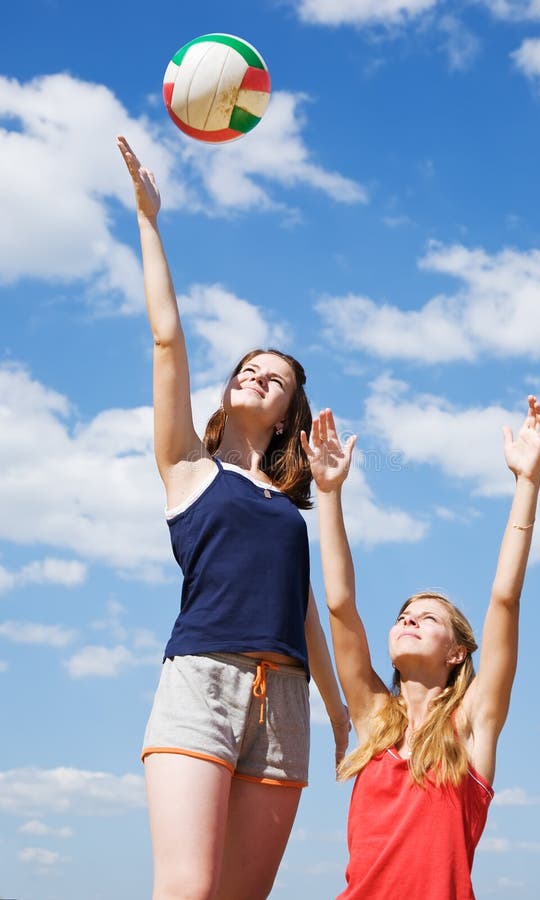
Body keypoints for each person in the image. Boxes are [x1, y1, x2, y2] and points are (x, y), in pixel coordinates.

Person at [116, 136, 349, 900]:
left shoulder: (289, 508)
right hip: (202, 686)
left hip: (283, 704)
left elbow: (305, 609)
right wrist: (149, 220)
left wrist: (338, 708)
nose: (256, 374)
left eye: (275, 378)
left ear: (288, 415)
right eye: (248, 368)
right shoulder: (188, 467)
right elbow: (166, 339)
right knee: (186, 891)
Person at [301, 398, 540, 899]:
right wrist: (328, 493)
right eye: (403, 616)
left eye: (427, 617)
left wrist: (527, 483)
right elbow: (341, 607)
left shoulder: (473, 723)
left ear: (457, 652)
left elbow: (505, 600)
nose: (408, 618)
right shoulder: (373, 722)